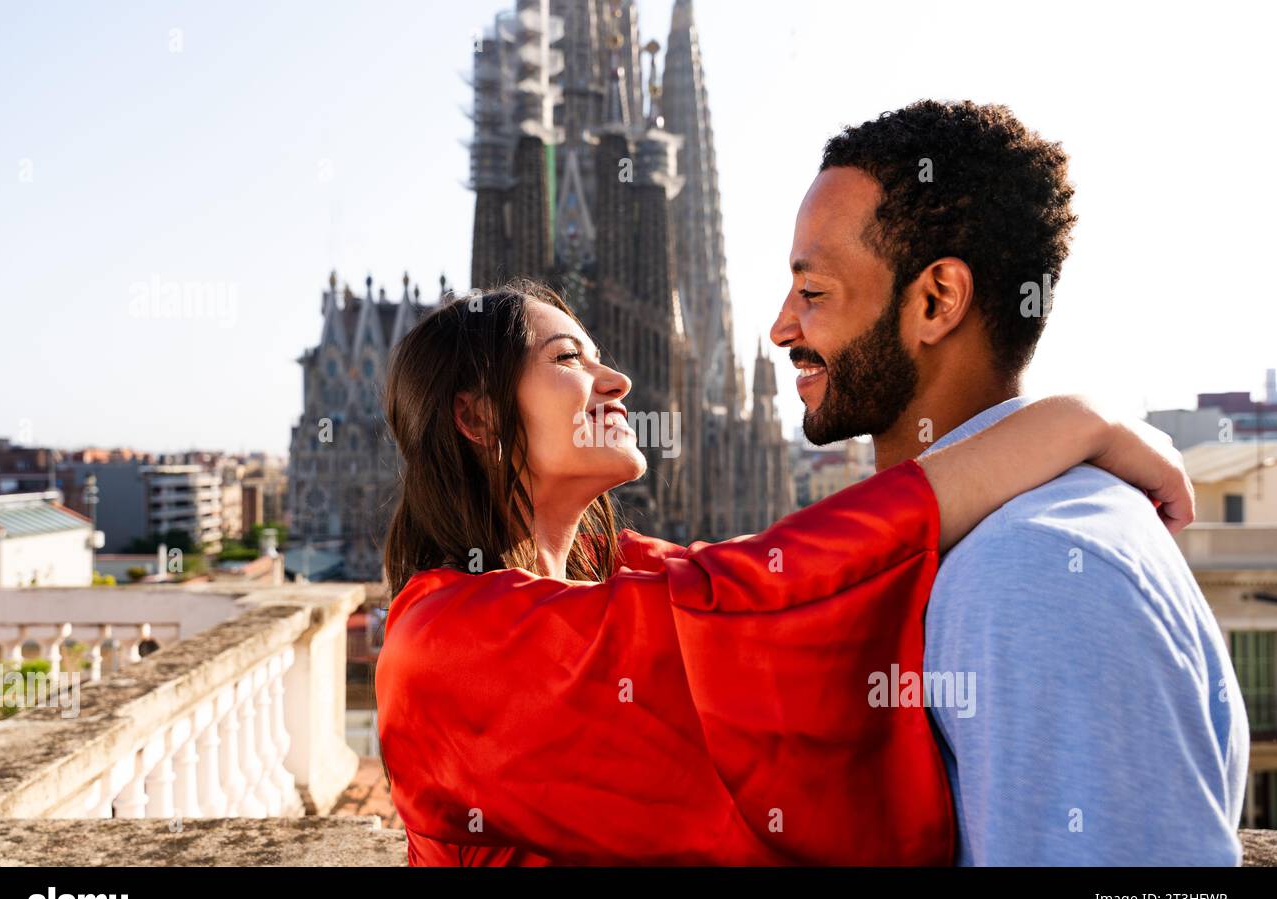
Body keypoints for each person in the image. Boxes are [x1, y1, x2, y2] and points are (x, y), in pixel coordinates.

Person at [375, 279, 1191, 866]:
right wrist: (1075, 422)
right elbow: (777, 592)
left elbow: (785, 577)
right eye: (567, 358)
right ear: (477, 416)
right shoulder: (441, 641)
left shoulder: (603, 570)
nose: (617, 380)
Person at [771, 99, 1249, 865]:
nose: (783, 327)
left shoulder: (1031, 569)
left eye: (814, 292)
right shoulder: (1019, 531)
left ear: (936, 301)